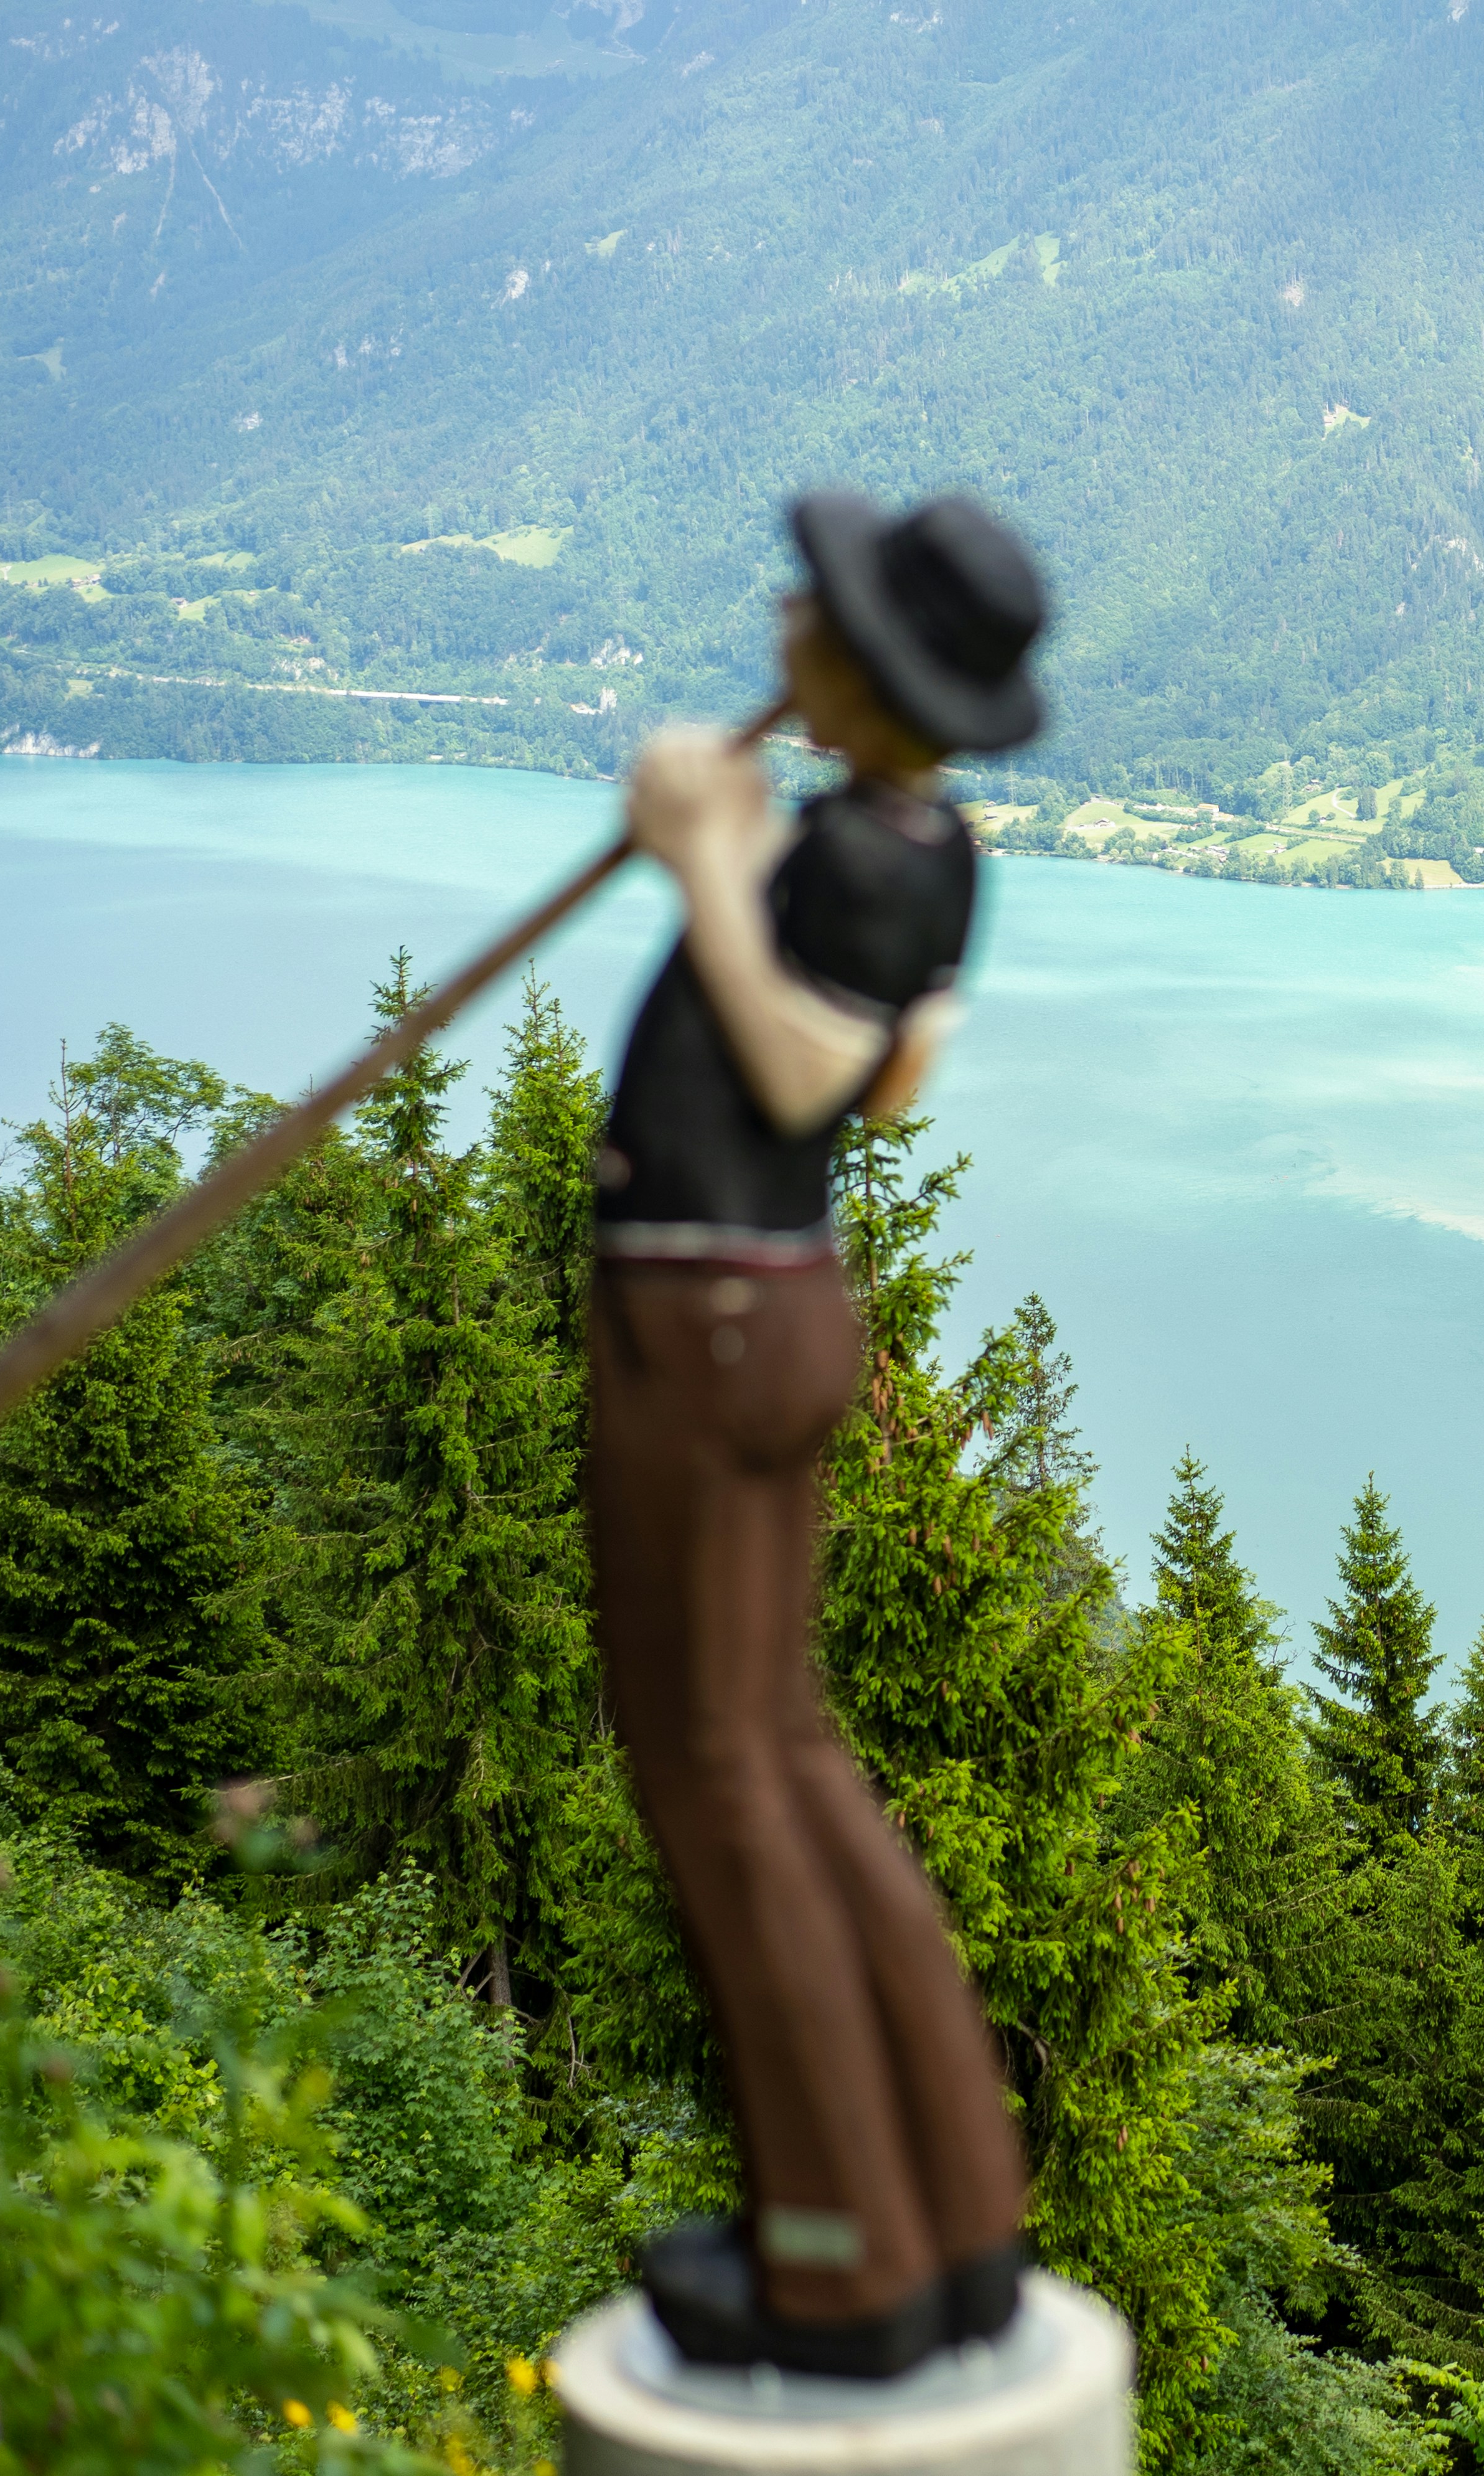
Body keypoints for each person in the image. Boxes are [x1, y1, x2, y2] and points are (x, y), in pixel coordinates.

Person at [585, 492, 1046, 2377]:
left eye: (819, 603)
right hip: (781, 1305)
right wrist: (755, 851)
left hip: (698, 1309)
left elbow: (808, 1075)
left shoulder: (846, 849)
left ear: (862, 669)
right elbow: (908, 1066)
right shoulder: (931, 850)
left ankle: (837, 2259)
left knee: (713, 1773)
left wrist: (705, 855)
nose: (786, 608)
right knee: (787, 1752)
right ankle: (954, 2218)